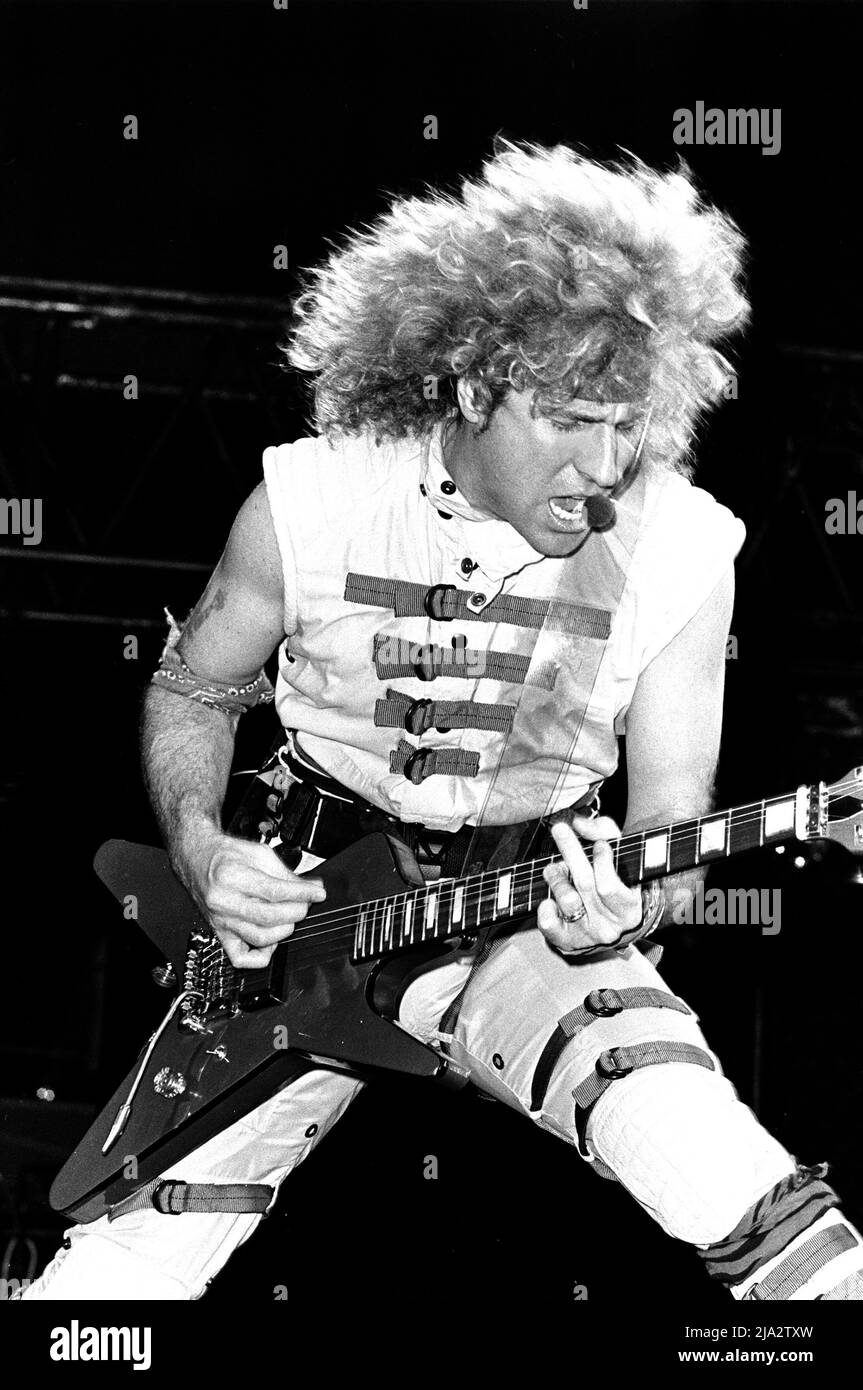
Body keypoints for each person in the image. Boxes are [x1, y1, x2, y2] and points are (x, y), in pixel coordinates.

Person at [22, 141, 863, 1300]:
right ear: (473, 385)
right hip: (296, 924)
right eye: (569, 417)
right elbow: (193, 687)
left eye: (628, 424)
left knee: (756, 1207)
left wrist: (628, 894)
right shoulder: (312, 497)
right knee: (110, 1282)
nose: (605, 466)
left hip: (521, 917)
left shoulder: (682, 545)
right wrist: (203, 847)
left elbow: (671, 811)